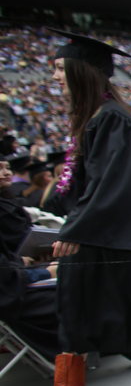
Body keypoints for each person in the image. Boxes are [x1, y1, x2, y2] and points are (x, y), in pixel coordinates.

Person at [15, 29, 131, 386]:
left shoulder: (112, 118)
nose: (54, 76)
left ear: (81, 70)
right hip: (100, 232)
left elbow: (114, 183)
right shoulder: (93, 118)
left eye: (59, 68)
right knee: (72, 301)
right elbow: (86, 183)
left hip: (125, 235)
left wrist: (75, 228)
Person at [0, 155, 60, 363]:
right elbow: (5, 277)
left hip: (12, 284)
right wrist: (44, 272)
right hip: (12, 298)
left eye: (7, 167)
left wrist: (20, 262)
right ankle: (78, 354)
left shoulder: (7, 201)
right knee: (76, 287)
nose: (6, 173)